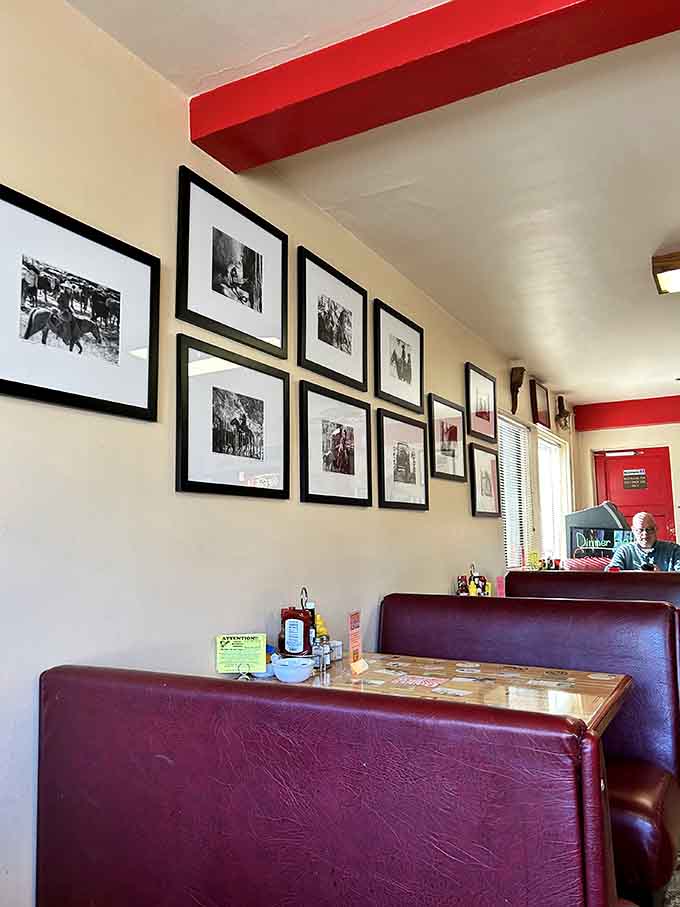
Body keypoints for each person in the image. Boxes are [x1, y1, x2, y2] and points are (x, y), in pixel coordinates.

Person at [606, 512, 680, 571]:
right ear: (633, 530)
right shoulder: (624, 551)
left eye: (649, 529)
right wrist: (636, 576)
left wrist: (661, 576)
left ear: (656, 529)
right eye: (640, 530)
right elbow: (611, 574)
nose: (645, 534)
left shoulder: (673, 550)